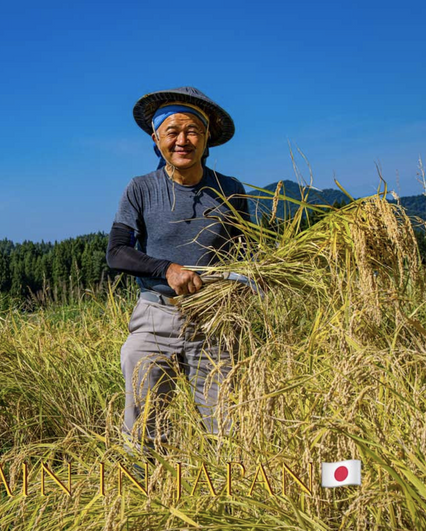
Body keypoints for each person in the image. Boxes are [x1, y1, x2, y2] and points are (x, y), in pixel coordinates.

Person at [106, 86, 250, 454]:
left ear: (206, 140)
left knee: (229, 426)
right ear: (157, 139)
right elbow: (117, 253)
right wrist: (166, 268)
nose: (182, 140)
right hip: (157, 316)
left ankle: (229, 495)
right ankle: (146, 492)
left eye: (192, 131)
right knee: (145, 428)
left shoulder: (230, 190)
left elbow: (246, 251)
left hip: (214, 320)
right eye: (172, 132)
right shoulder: (140, 189)